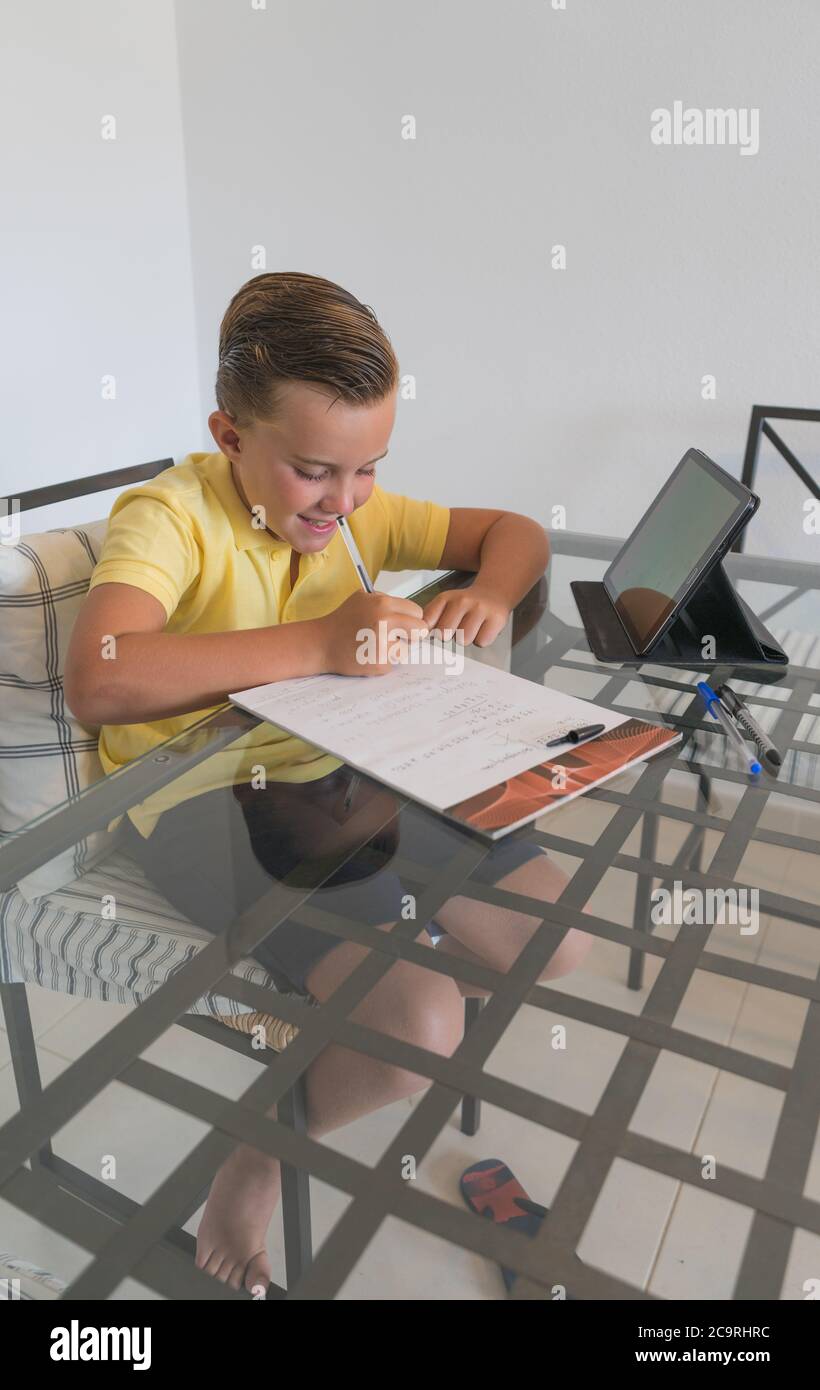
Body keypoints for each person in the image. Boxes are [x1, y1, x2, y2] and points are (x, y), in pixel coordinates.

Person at [65, 271, 593, 1295]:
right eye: (314, 471)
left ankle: (386, 991)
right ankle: (253, 1160)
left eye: (368, 470)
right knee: (419, 1027)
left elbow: (515, 533)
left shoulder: (355, 507)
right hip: (205, 800)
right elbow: (101, 673)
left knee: (557, 934)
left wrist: (486, 593)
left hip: (353, 770)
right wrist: (314, 639)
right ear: (228, 436)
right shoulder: (169, 514)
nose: (346, 502)